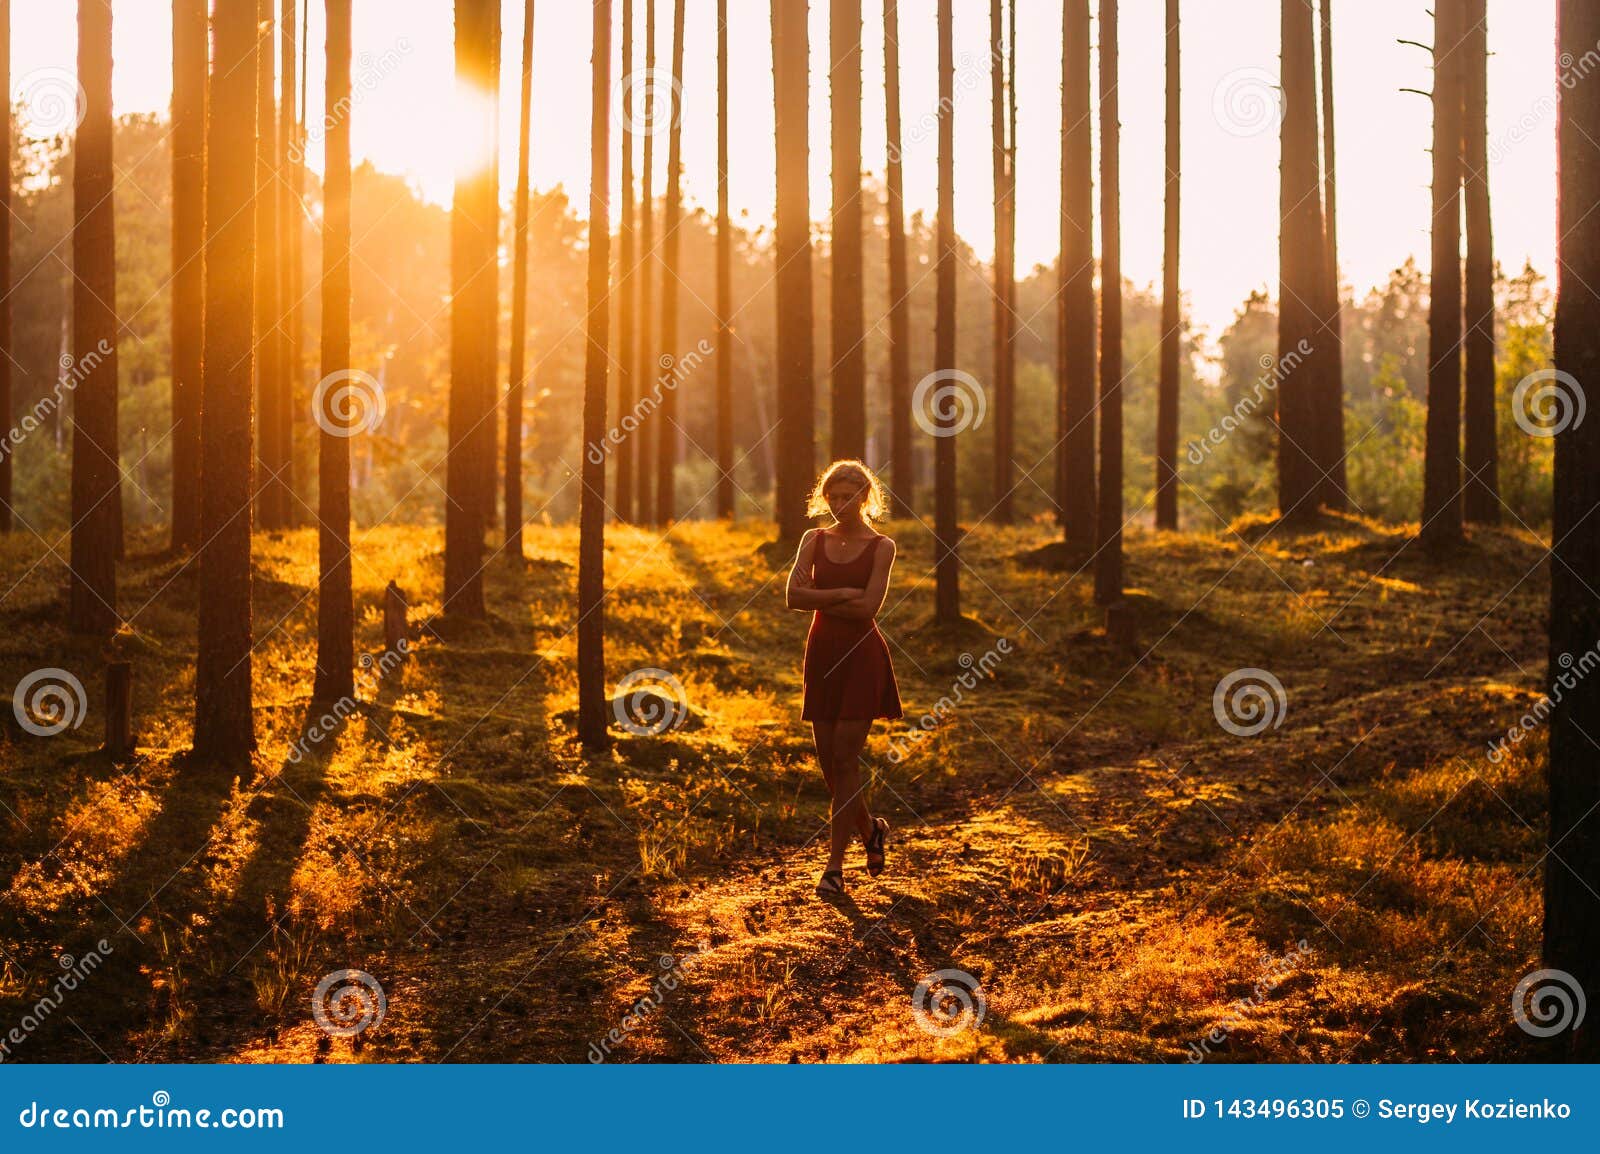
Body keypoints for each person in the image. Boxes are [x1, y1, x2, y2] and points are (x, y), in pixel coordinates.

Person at [784, 460, 902, 897]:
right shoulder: (812, 540)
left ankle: (834, 867)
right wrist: (840, 594)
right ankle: (871, 830)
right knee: (829, 766)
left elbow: (868, 608)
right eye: (832, 496)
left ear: (865, 497)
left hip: (861, 657)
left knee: (844, 760)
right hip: (822, 653)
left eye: (847, 496)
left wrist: (819, 596)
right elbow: (793, 597)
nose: (838, 504)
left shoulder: (882, 547)